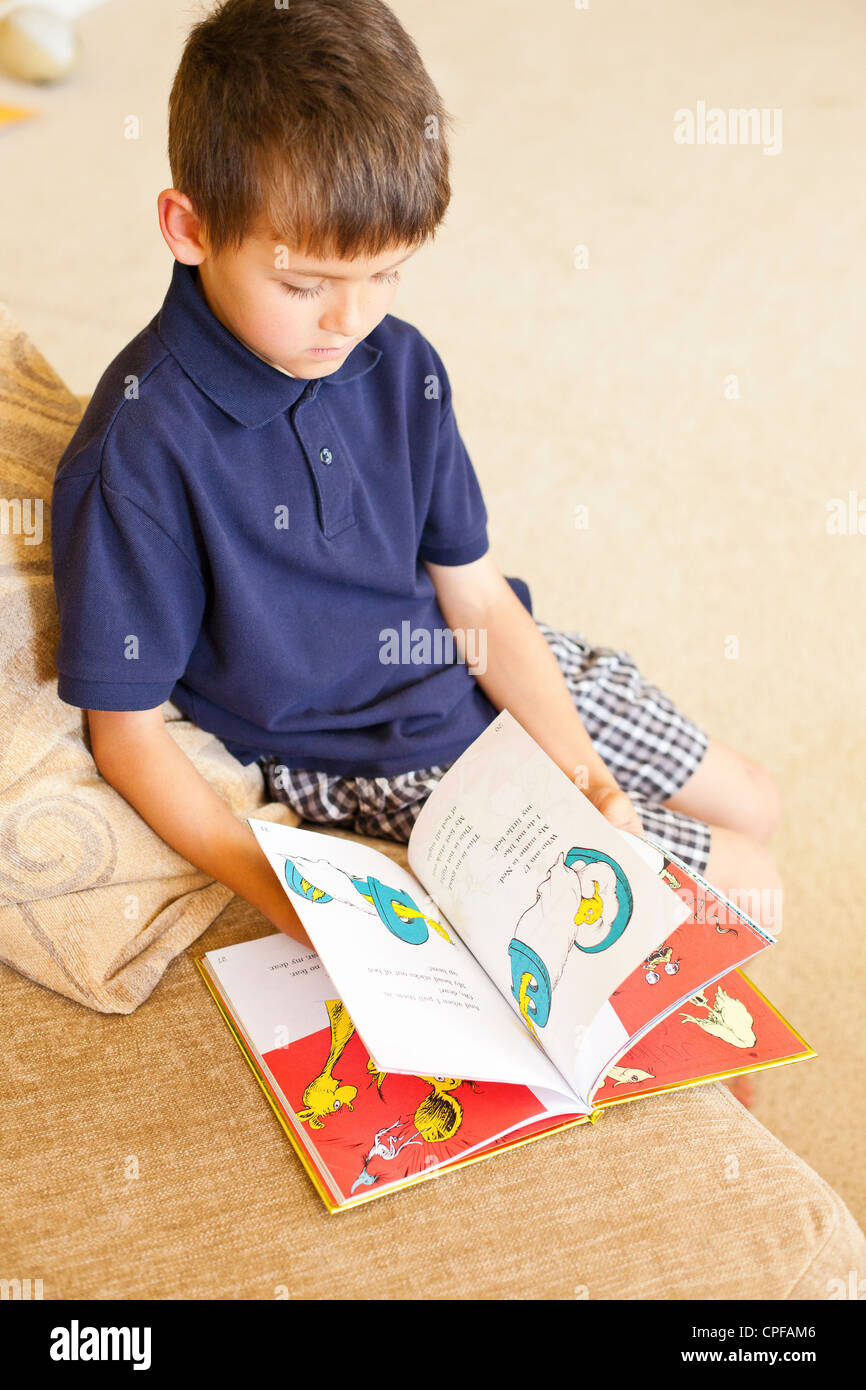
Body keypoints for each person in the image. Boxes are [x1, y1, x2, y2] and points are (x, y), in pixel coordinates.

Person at [50, 0, 781, 1113]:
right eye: (307, 284)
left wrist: (578, 774)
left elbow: (475, 590)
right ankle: (707, 1102)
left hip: (486, 667)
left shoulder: (402, 365)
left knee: (756, 801)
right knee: (750, 886)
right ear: (188, 227)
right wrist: (295, 899)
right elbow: (128, 736)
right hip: (377, 761)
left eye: (387, 273)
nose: (352, 321)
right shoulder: (140, 453)